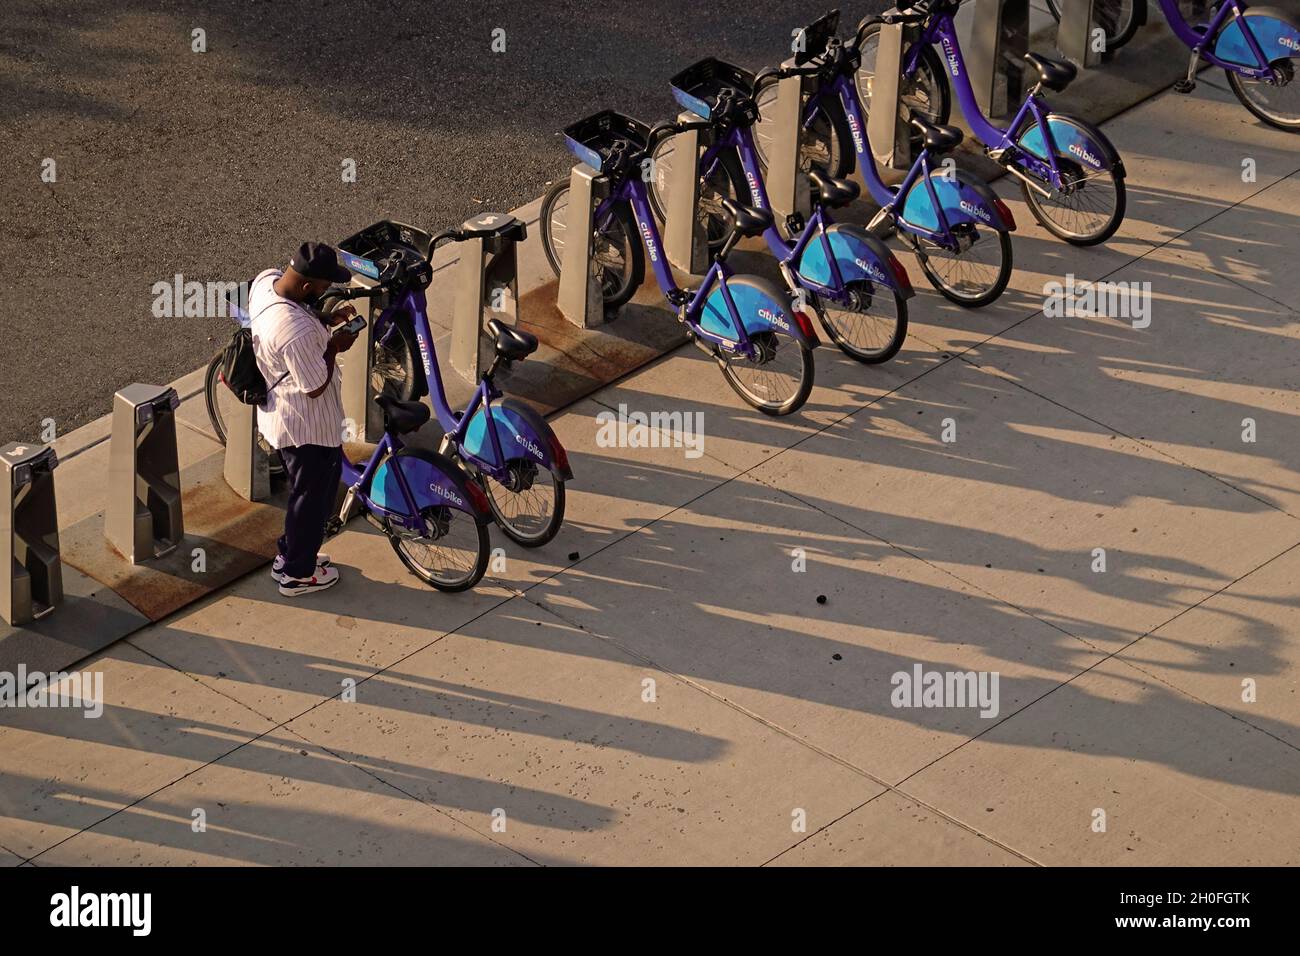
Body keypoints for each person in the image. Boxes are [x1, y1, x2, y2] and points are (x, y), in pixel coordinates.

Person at [248, 241, 359, 596]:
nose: (327, 291)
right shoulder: (296, 332)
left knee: (305, 495)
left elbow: (298, 310)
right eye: (325, 287)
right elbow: (313, 386)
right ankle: (297, 574)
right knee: (313, 502)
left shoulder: (266, 282)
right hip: (307, 429)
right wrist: (333, 346)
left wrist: (324, 318)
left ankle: (291, 553)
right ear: (308, 285)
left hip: (278, 419)